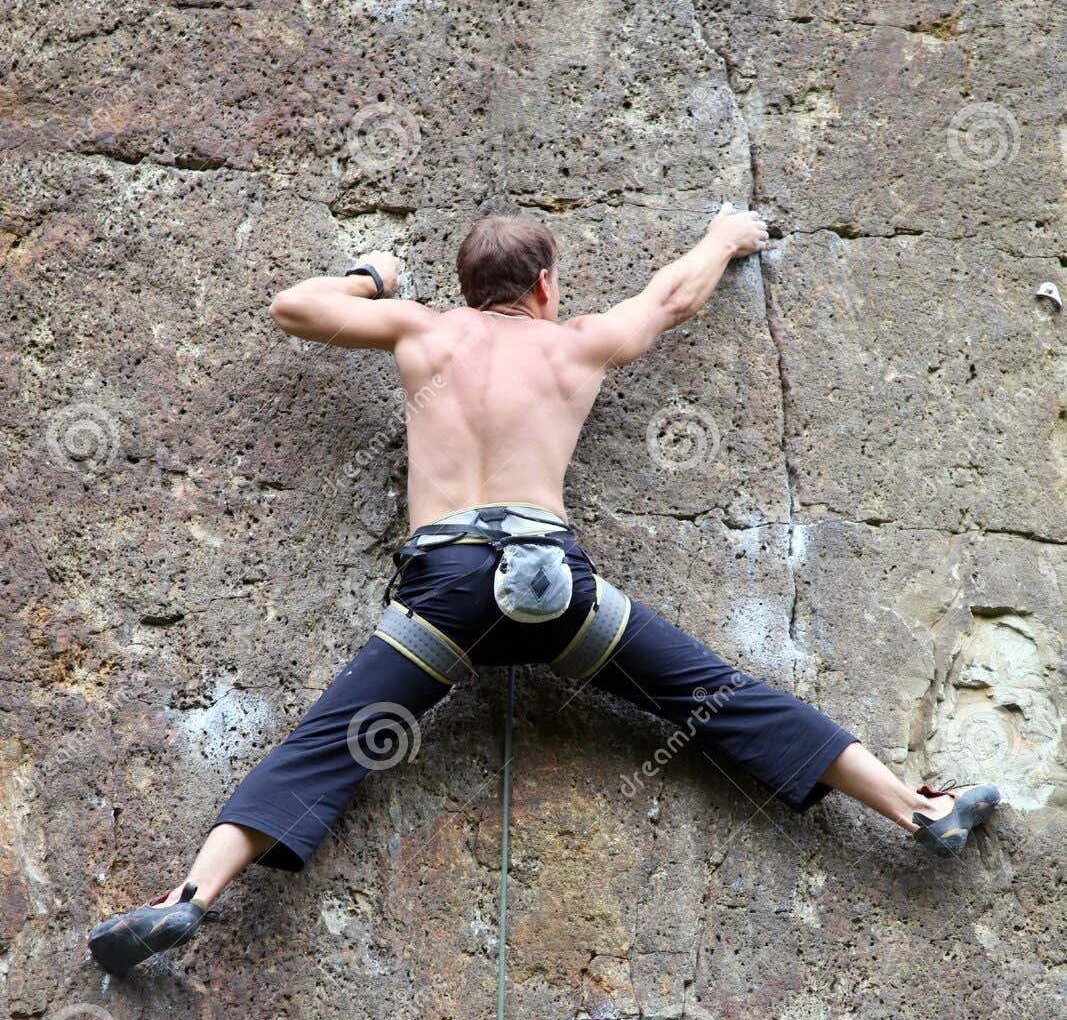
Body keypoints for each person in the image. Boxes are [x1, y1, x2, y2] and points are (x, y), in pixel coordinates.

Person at [89, 208, 999, 974]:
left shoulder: (423, 332)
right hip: (555, 589)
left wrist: (371, 274)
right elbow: (668, 301)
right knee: (719, 698)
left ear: (465, 286)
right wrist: (725, 235)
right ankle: (918, 810)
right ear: (546, 286)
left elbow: (293, 308)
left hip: (445, 595)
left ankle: (192, 896)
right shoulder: (576, 345)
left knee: (326, 746)